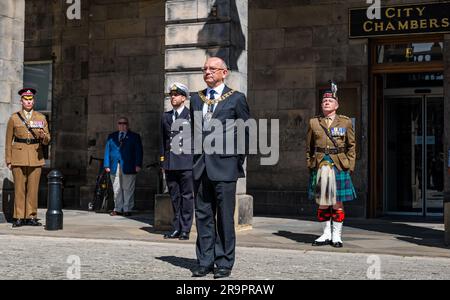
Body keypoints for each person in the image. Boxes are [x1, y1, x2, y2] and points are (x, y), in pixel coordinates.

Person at [190, 57, 250, 279]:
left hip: (225, 167)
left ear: (224, 73)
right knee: (203, 216)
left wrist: (236, 162)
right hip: (201, 167)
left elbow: (245, 133)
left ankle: (224, 261)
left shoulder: (236, 99)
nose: (207, 72)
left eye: (212, 69)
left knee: (225, 218)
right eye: (204, 68)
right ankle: (204, 261)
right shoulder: (197, 99)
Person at [306, 83, 356, 248]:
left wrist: (350, 165)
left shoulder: (345, 122)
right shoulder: (314, 123)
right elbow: (309, 147)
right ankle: (325, 233)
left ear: (336, 105)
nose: (326, 102)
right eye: (324, 101)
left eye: (330, 101)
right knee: (322, 201)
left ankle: (337, 235)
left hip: (338, 164)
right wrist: (310, 163)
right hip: (320, 164)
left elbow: (352, 146)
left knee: (337, 202)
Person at [5, 88, 51, 227]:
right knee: (19, 188)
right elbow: (8, 141)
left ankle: (31, 216)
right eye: (26, 99)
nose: (28, 102)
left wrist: (43, 136)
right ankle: (18, 216)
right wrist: (8, 159)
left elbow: (47, 140)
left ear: (34, 101)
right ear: (21, 101)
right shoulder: (14, 118)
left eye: (30, 99)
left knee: (33, 188)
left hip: (35, 156)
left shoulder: (41, 118)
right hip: (18, 155)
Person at [160, 83, 194, 241]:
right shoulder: (166, 116)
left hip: (186, 162)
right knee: (174, 196)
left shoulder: (191, 115)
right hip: (171, 162)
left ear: (184, 98)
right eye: (171, 95)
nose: (173, 97)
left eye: (176, 95)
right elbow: (162, 141)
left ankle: (185, 229)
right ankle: (176, 227)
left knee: (187, 196)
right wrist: (163, 162)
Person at [104, 117, 143, 216]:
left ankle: (127, 209)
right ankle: (118, 208)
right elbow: (107, 151)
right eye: (120, 123)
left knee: (128, 188)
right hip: (114, 165)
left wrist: (138, 164)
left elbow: (139, 152)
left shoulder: (134, 136)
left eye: (124, 123)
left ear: (128, 124)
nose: (122, 125)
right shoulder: (111, 136)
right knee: (116, 187)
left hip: (129, 165)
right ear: (117, 124)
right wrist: (106, 164)